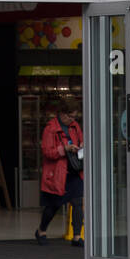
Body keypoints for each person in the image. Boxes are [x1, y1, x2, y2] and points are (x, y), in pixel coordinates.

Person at [35, 100, 83, 246]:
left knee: (78, 202)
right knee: (53, 205)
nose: (72, 120)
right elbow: (47, 152)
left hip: (74, 171)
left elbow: (81, 140)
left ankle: (76, 236)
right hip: (57, 174)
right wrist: (65, 149)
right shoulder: (50, 129)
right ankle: (41, 230)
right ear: (62, 114)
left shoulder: (75, 126)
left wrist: (81, 146)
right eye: (70, 117)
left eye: (74, 117)